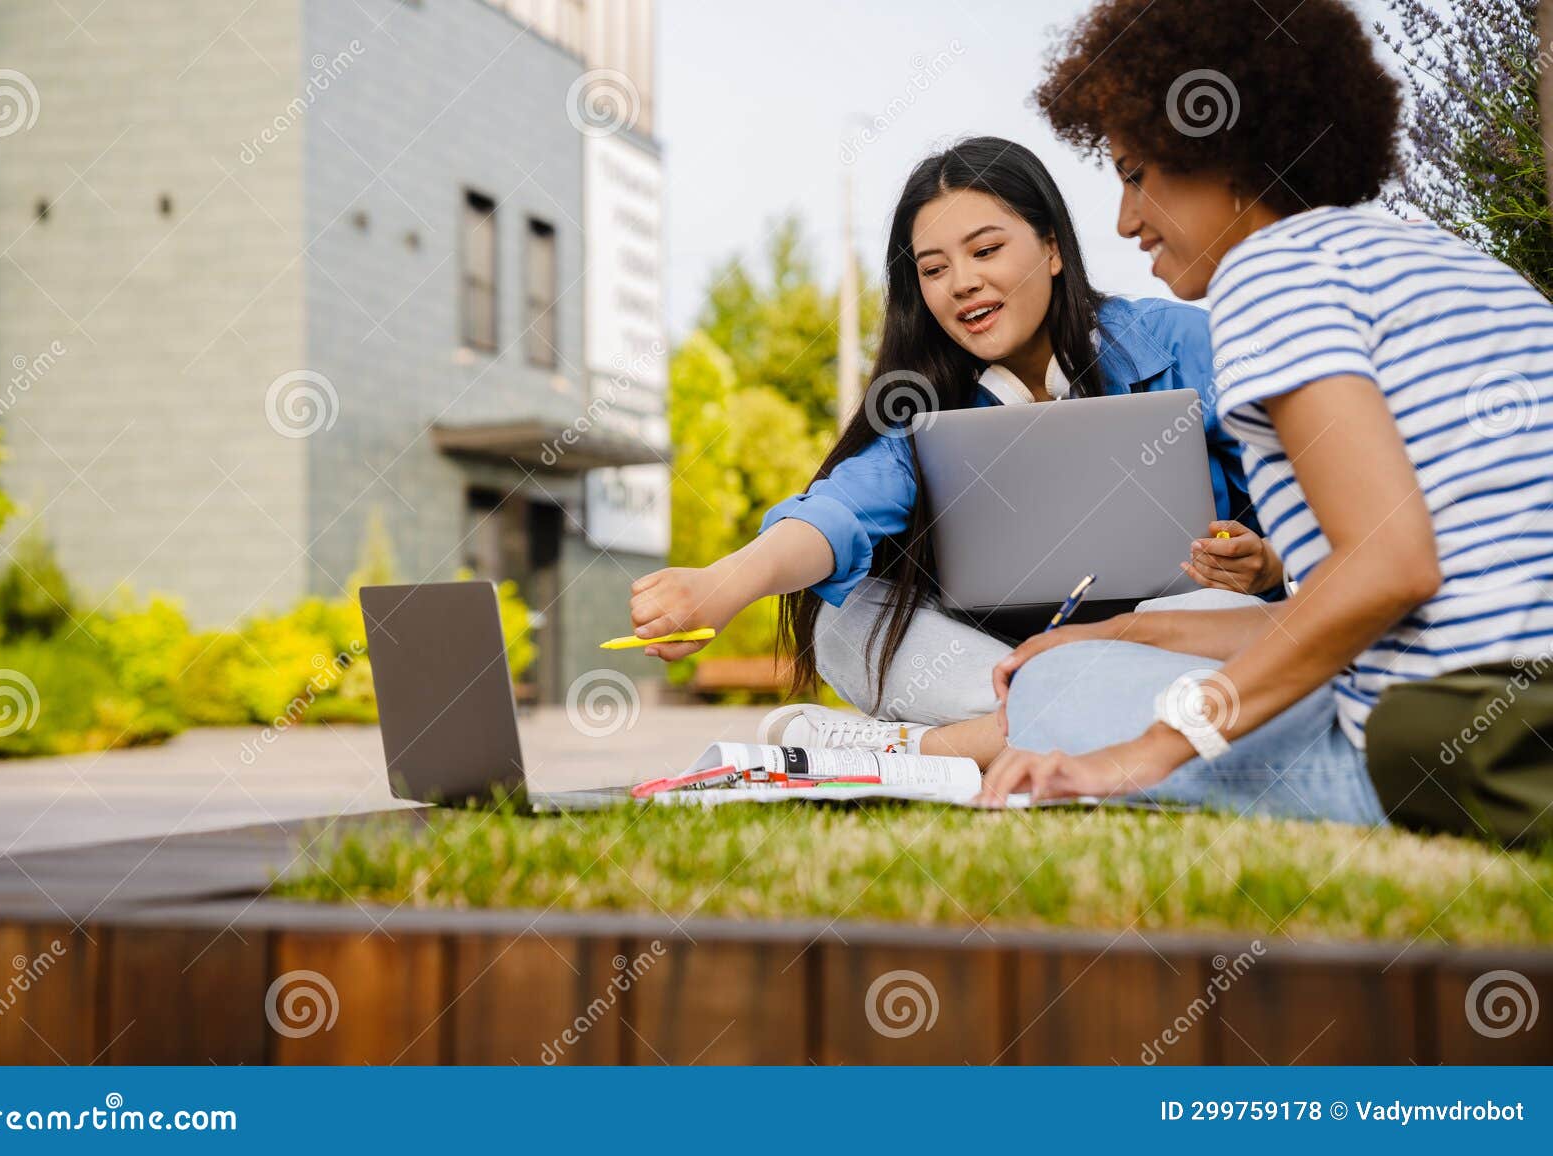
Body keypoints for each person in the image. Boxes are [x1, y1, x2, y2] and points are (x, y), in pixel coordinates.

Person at [974, 0, 1553, 823]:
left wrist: (1142, 755)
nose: (1125, 220)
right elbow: (1362, 604)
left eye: (1138, 173)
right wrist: (1126, 635)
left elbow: (1390, 568)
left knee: (1054, 693)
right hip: (1515, 705)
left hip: (1453, 747)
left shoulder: (1269, 273)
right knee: (1081, 662)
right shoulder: (1447, 261)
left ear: (1227, 150)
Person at [628, 137, 1275, 769]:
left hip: (1173, 633)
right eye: (933, 269)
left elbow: (1321, 513)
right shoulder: (926, 405)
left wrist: (1268, 566)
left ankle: (927, 750)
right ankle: (1071, 726)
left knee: (1223, 614)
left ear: (1052, 248)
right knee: (848, 623)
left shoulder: (1186, 343)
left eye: (987, 250)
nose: (962, 283)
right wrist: (721, 585)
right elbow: (839, 511)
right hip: (994, 663)